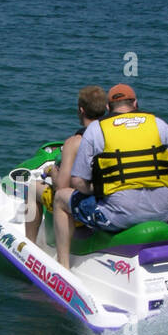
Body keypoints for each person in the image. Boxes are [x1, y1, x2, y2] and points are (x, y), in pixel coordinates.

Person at [52, 83, 168, 268]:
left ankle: (62, 265)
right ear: (135, 103)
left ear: (108, 107)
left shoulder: (97, 129)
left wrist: (98, 189)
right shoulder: (158, 124)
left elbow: (78, 182)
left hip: (119, 217)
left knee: (60, 198)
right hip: (164, 214)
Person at [25, 85, 109, 243]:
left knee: (31, 188)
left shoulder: (75, 142)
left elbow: (61, 187)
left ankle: (29, 244)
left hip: (82, 207)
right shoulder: (113, 135)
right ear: (105, 109)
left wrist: (53, 173)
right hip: (108, 201)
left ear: (81, 110)